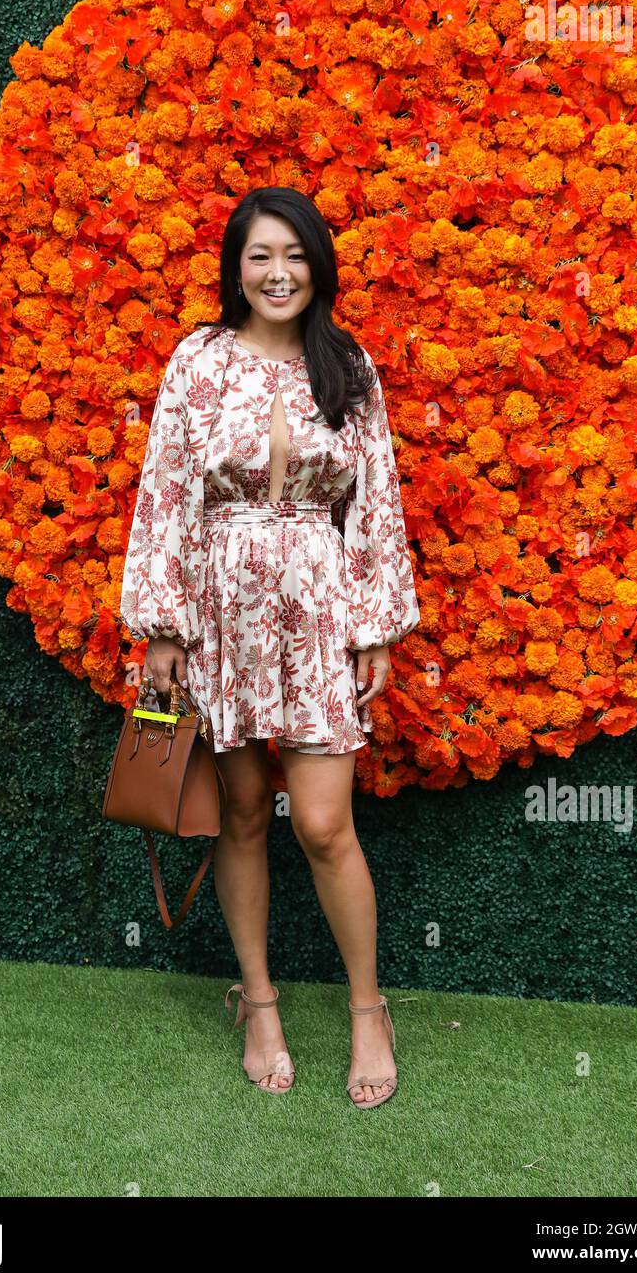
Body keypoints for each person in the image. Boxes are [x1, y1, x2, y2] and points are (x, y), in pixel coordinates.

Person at [119, 187, 420, 1108]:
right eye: (259, 256)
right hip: (221, 606)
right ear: (236, 268)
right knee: (244, 810)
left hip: (319, 601)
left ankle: (370, 1011)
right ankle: (259, 1003)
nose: (277, 272)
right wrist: (162, 625)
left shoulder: (347, 363)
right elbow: (165, 492)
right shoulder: (198, 361)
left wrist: (375, 628)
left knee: (326, 823)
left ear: (316, 264)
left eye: (293, 254)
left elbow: (377, 501)